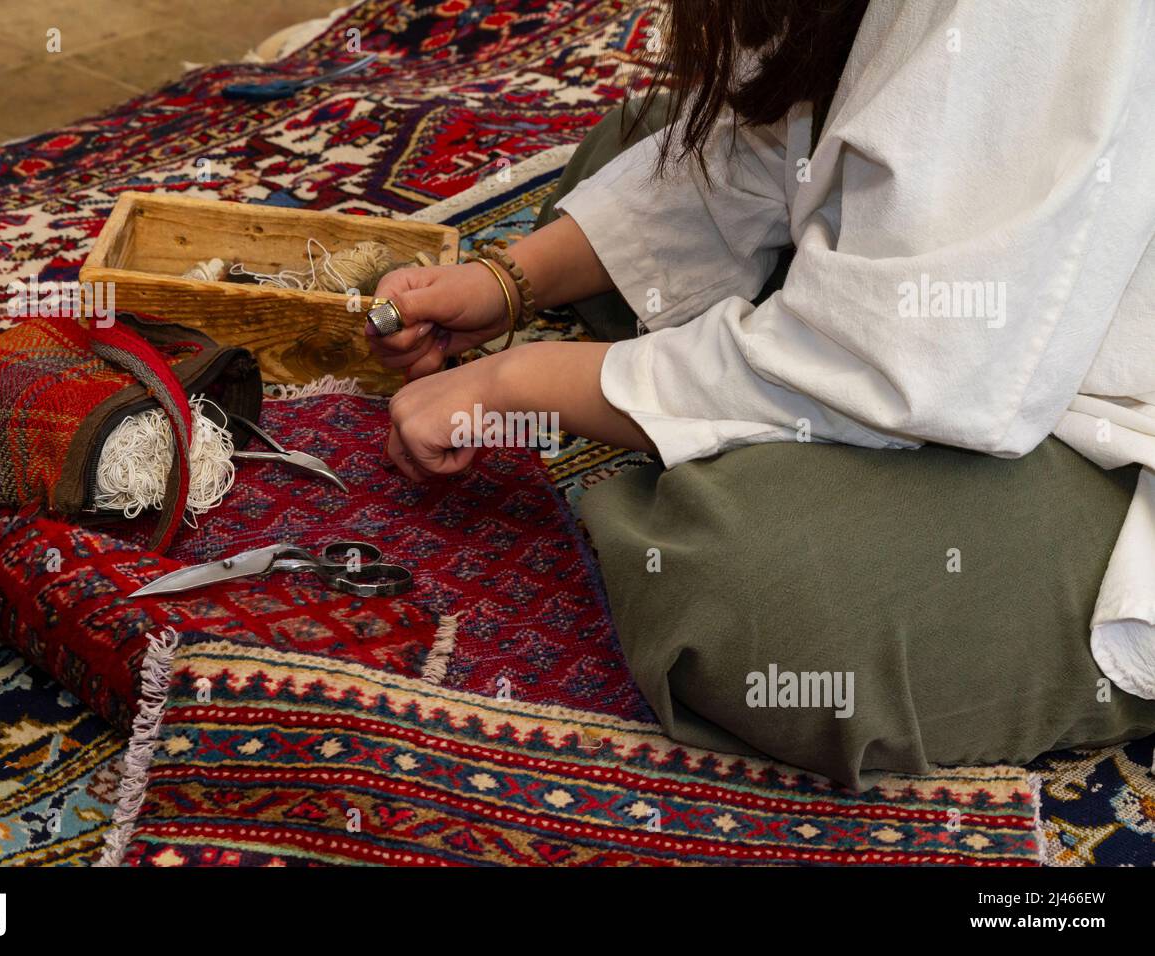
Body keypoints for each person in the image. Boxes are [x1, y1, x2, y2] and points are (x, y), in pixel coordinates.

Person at [365, 0, 1155, 787]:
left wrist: (522, 382)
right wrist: (508, 282)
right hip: (980, 297)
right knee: (637, 139)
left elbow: (909, 361)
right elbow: (784, 137)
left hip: (1097, 414)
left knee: (743, 598)